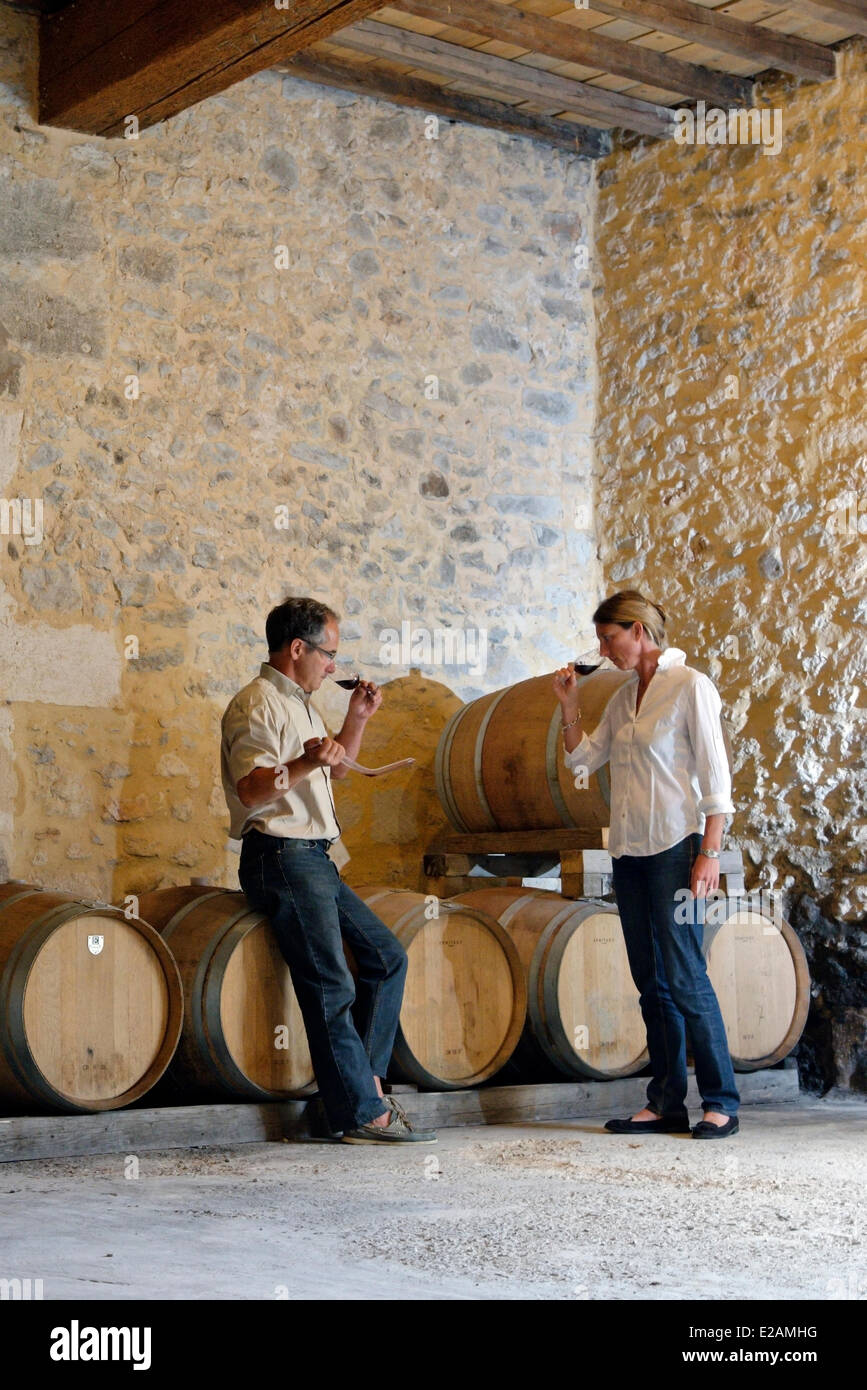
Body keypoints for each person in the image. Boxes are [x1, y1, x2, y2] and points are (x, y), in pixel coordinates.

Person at [220, 595, 436, 1145]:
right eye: (329, 653)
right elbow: (251, 789)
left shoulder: (305, 704)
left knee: (387, 959)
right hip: (282, 855)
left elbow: (333, 771)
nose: (334, 666)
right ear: (298, 648)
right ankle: (365, 1113)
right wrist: (306, 761)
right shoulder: (256, 704)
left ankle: (363, 1088)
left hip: (315, 857)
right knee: (331, 983)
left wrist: (355, 721)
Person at [554, 590, 740, 1140]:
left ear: (637, 630)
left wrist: (709, 853)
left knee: (684, 975)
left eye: (609, 638)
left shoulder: (690, 686)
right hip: (629, 852)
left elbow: (716, 779)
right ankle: (664, 1104)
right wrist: (569, 705)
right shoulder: (623, 697)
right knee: (651, 982)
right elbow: (583, 760)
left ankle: (721, 1101)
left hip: (677, 848)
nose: (603, 650)